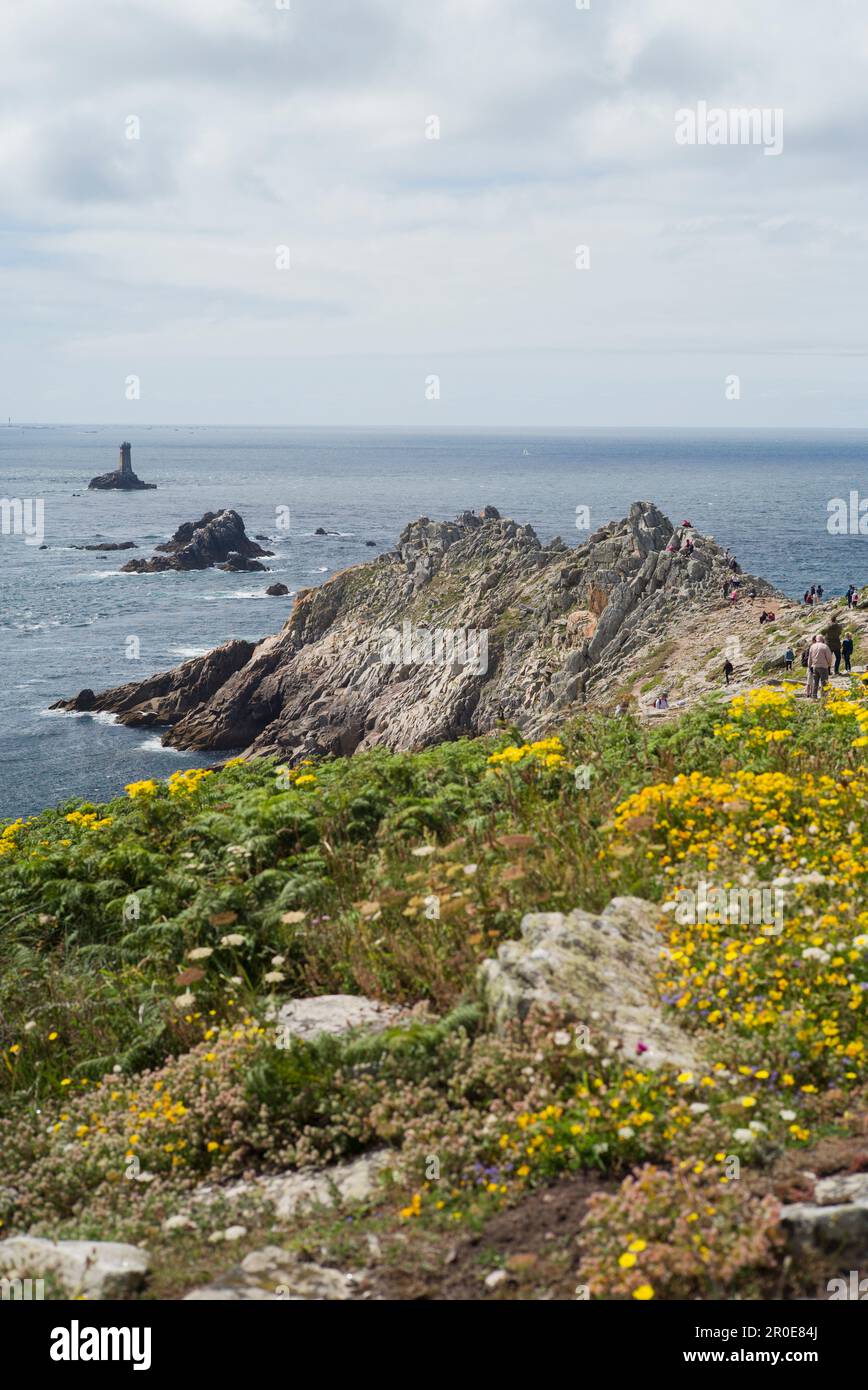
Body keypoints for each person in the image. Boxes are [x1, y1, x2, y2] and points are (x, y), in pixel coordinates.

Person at [806, 633, 834, 698]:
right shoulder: (825, 646)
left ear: (816, 639)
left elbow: (809, 658)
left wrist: (809, 666)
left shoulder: (812, 646)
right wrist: (829, 665)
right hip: (823, 667)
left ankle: (814, 695)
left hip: (815, 666)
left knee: (815, 682)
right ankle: (823, 696)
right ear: (822, 639)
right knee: (824, 682)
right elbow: (829, 657)